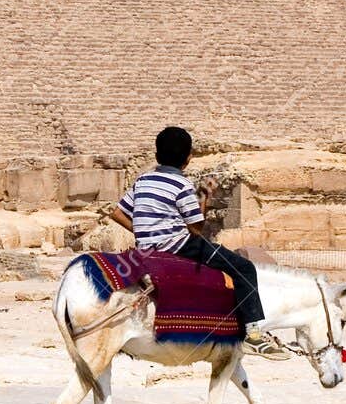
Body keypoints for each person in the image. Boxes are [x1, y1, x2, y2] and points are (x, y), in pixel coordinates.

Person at [107, 126, 290, 360]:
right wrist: (204, 197)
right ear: (188, 158)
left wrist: (145, 232)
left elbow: (117, 213)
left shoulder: (143, 180)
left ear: (157, 155)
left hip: (145, 250)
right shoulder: (181, 184)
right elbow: (196, 229)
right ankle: (253, 335)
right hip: (179, 247)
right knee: (244, 268)